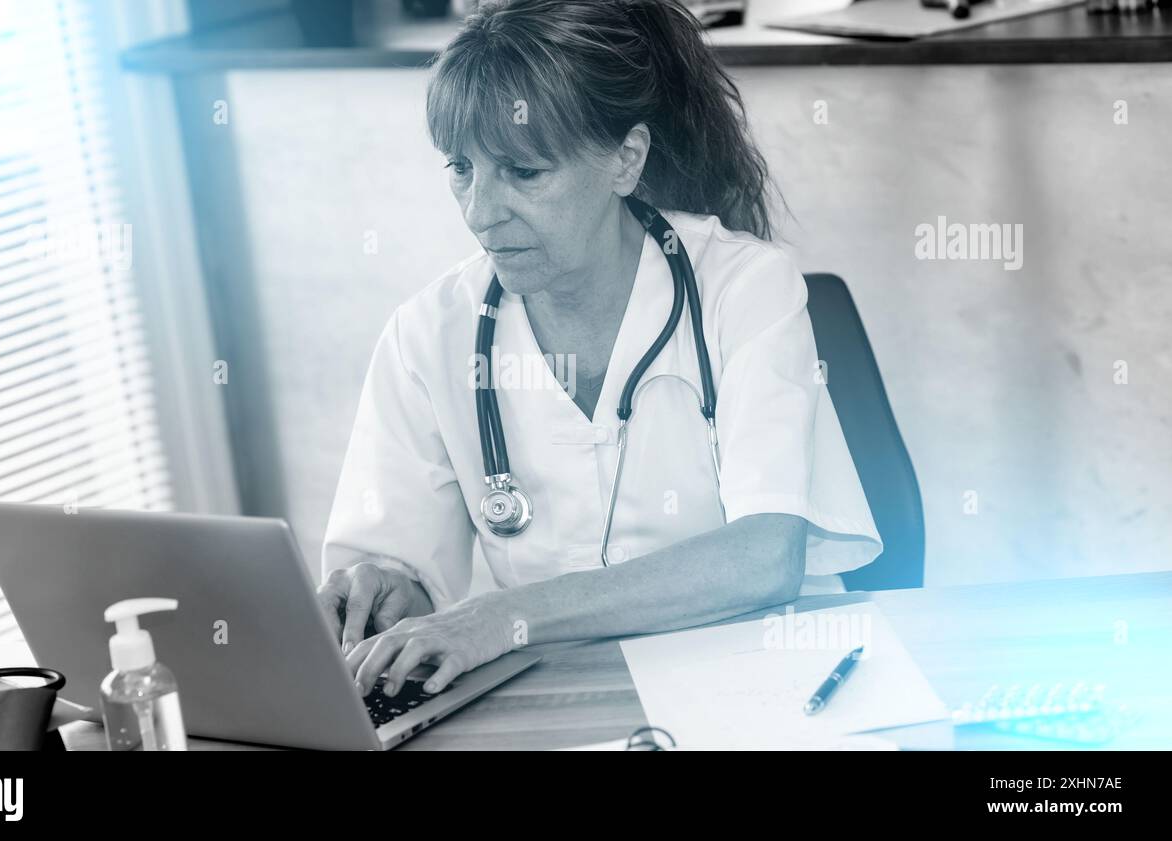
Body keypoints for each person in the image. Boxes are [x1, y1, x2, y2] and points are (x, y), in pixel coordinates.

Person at [319, 0, 882, 700]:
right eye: (462, 168)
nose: (479, 212)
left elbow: (766, 556)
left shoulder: (745, 288)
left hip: (769, 682)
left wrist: (506, 615)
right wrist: (385, 591)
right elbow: (399, 564)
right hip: (564, 698)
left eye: (524, 173)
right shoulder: (427, 336)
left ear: (625, 159)